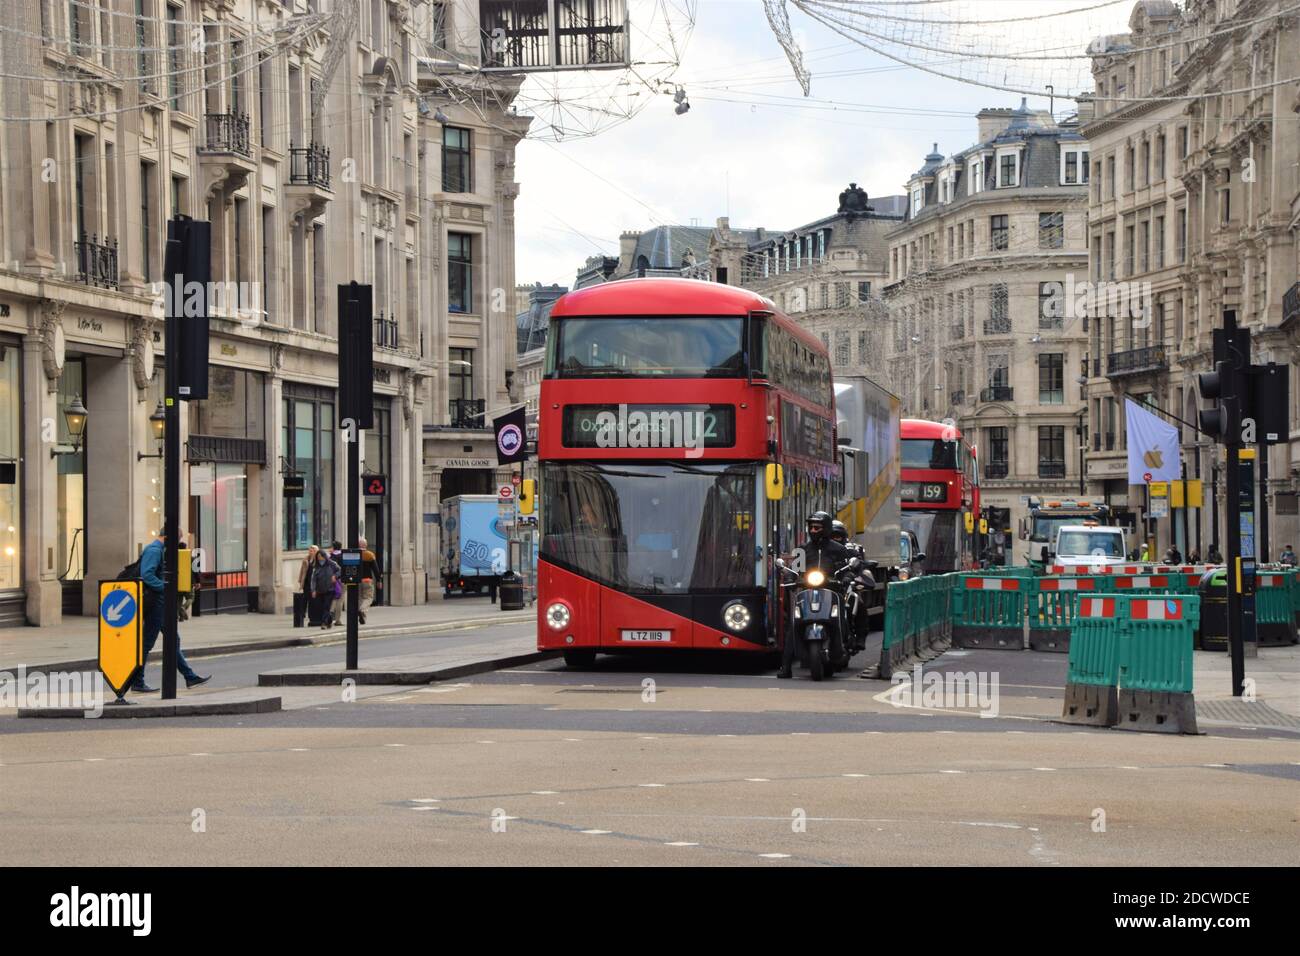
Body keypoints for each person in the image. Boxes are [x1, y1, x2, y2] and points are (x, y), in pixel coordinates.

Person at [130, 531, 210, 693]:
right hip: (156, 605)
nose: (176, 544)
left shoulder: (158, 550)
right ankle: (137, 681)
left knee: (172, 639)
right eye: (176, 540)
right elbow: (147, 575)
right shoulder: (154, 551)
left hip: (160, 604)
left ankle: (190, 676)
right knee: (147, 643)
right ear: (167, 537)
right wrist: (166, 588)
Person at [778, 511, 850, 679]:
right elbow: (793, 571)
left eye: (817, 527)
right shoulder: (802, 550)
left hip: (832, 590)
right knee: (794, 624)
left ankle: (841, 648)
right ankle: (786, 666)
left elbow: (847, 570)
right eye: (811, 527)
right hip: (807, 591)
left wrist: (846, 578)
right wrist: (790, 578)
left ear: (826, 529)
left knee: (841, 617)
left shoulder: (838, 549)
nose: (813, 530)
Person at [310, 547, 341, 629]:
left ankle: (323, 623)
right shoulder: (316, 567)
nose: (320, 558)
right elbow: (313, 580)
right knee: (322, 607)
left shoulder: (332, 564)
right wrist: (313, 590)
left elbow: (340, 570)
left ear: (324, 556)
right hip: (320, 590)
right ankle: (329, 620)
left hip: (330, 589)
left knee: (326, 607)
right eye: (318, 557)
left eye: (321, 556)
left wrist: (335, 576)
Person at [297, 544, 320, 625]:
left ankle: (311, 617)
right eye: (310, 551)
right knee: (304, 598)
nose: (311, 552)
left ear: (316, 551)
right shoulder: (305, 560)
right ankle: (302, 614)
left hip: (314, 584)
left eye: (312, 551)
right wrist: (300, 580)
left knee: (312, 601)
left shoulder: (318, 560)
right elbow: (302, 571)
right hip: (306, 582)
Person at [358, 536, 378, 624]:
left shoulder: (355, 554)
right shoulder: (369, 554)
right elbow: (375, 569)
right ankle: (362, 610)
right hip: (367, 580)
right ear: (366, 545)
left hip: (357, 580)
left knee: (360, 598)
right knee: (368, 598)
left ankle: (363, 618)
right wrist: (379, 580)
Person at [328, 540, 345, 625]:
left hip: (332, 579)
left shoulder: (331, 557)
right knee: (340, 599)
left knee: (334, 598)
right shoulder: (343, 556)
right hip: (341, 580)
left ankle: (330, 612)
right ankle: (338, 620)